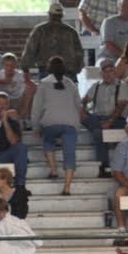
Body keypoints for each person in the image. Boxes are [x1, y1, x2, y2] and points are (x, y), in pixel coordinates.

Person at [31, 55, 81, 194]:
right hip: (70, 123)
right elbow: (79, 105)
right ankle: (67, 187)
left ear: (49, 68)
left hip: (50, 122)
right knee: (69, 154)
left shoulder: (43, 84)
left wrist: (35, 127)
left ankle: (53, 170)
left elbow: (36, 108)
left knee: (47, 140)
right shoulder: (70, 84)